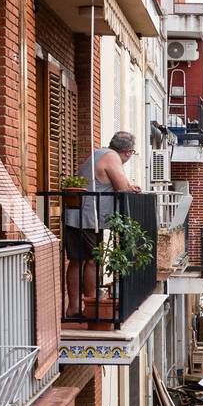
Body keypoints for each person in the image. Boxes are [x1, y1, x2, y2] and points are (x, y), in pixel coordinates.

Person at [64, 131, 140, 317]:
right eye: (132, 153)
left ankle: (74, 307)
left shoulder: (100, 153)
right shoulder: (112, 157)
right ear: (128, 152)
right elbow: (122, 187)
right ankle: (92, 305)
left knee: (76, 260)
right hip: (89, 217)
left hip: (79, 215)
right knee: (92, 261)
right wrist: (132, 188)